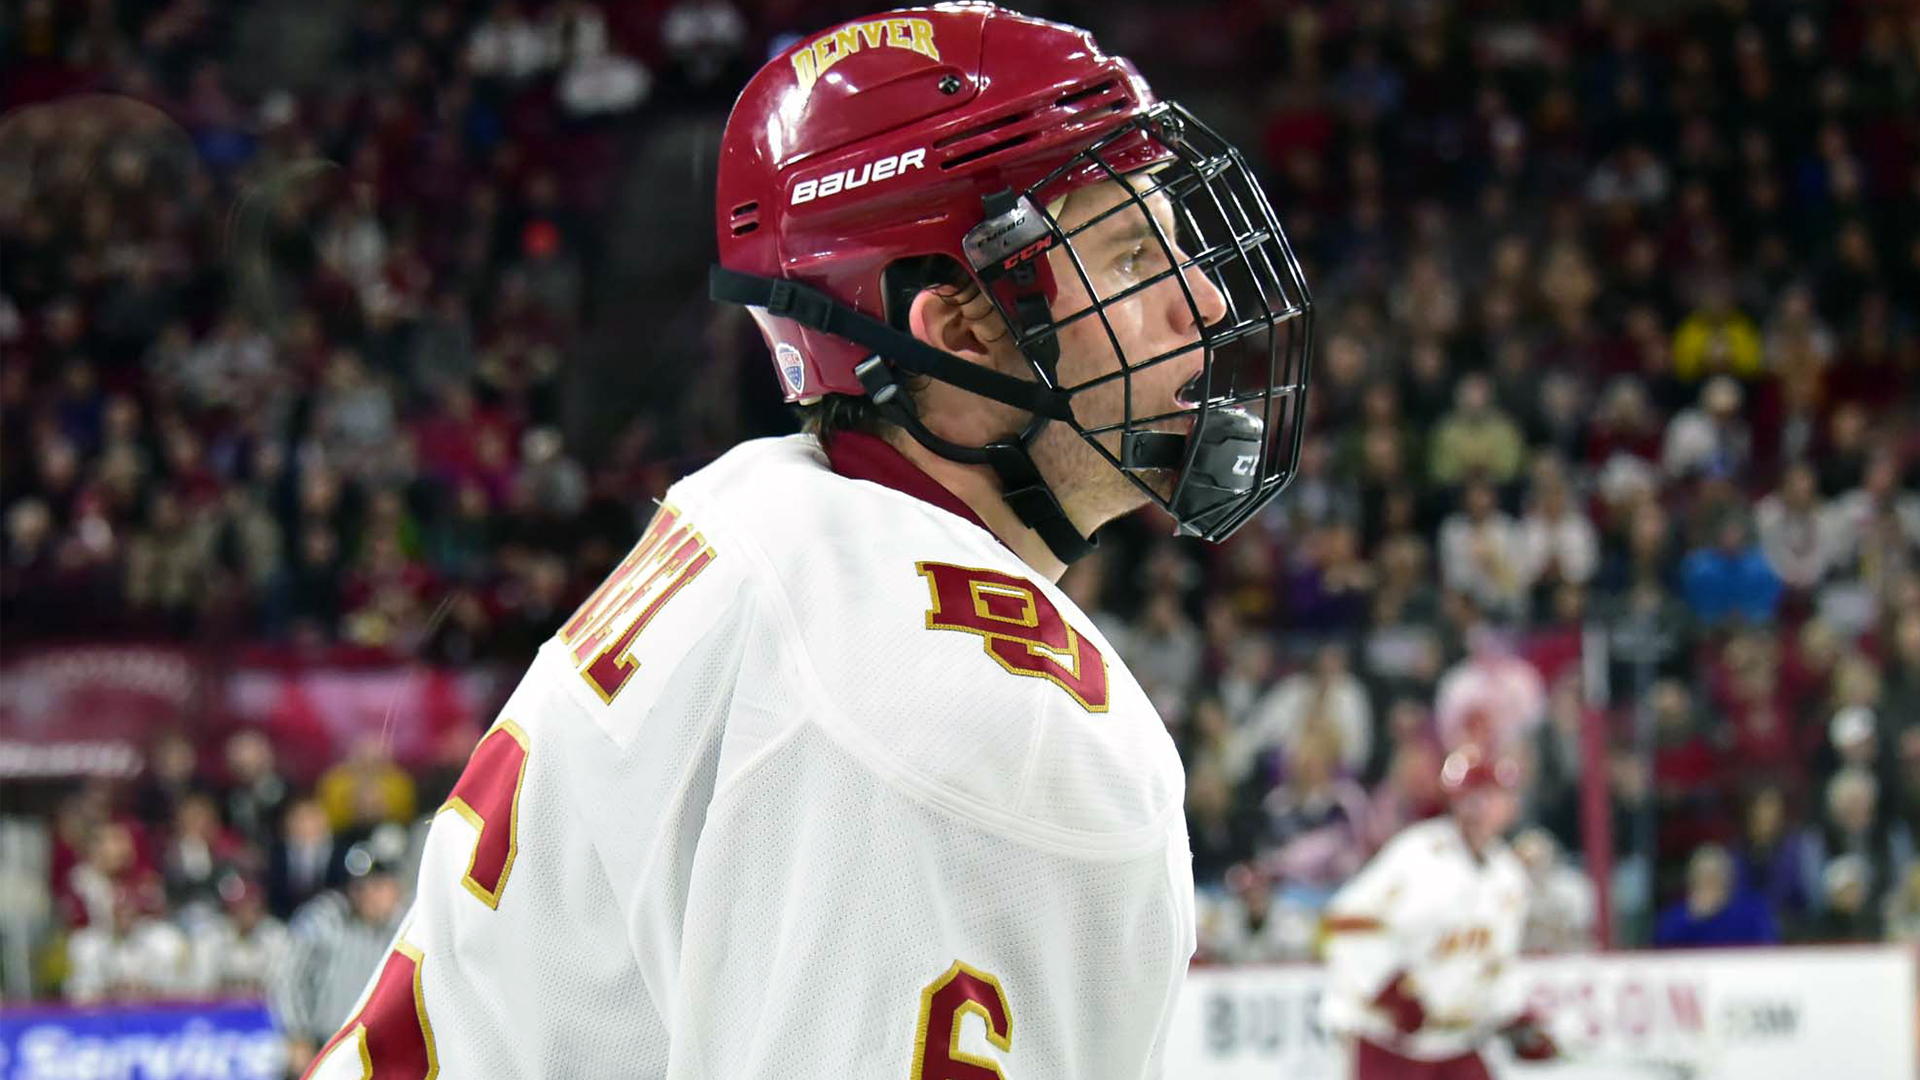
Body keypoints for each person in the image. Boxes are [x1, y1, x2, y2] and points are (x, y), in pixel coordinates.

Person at [297, 7, 1312, 1078]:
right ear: (959, 327)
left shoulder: (763, 519)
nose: (1199, 298)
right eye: (1131, 254)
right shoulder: (962, 722)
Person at [1319, 746, 1559, 1080]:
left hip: (1457, 1041)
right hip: (1390, 1042)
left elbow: (1496, 963)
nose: (1483, 807)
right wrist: (1387, 988)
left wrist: (1516, 1020)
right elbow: (1344, 921)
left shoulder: (1508, 877)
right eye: (1474, 797)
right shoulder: (1418, 854)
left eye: (1495, 797)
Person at [275, 828, 411, 1071]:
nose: (368, 895)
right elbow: (287, 976)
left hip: (386, 1048)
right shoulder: (323, 919)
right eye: (360, 887)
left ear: (395, 887)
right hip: (325, 1044)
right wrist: (297, 1034)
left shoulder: (408, 925)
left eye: (377, 886)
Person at [1652, 844, 1780, 947]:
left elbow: (1767, 947)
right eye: (1701, 877)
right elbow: (1663, 950)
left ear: (1728, 879)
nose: (1708, 884)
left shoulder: (1752, 912)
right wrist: (1694, 917)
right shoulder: (1677, 918)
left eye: (1714, 877)